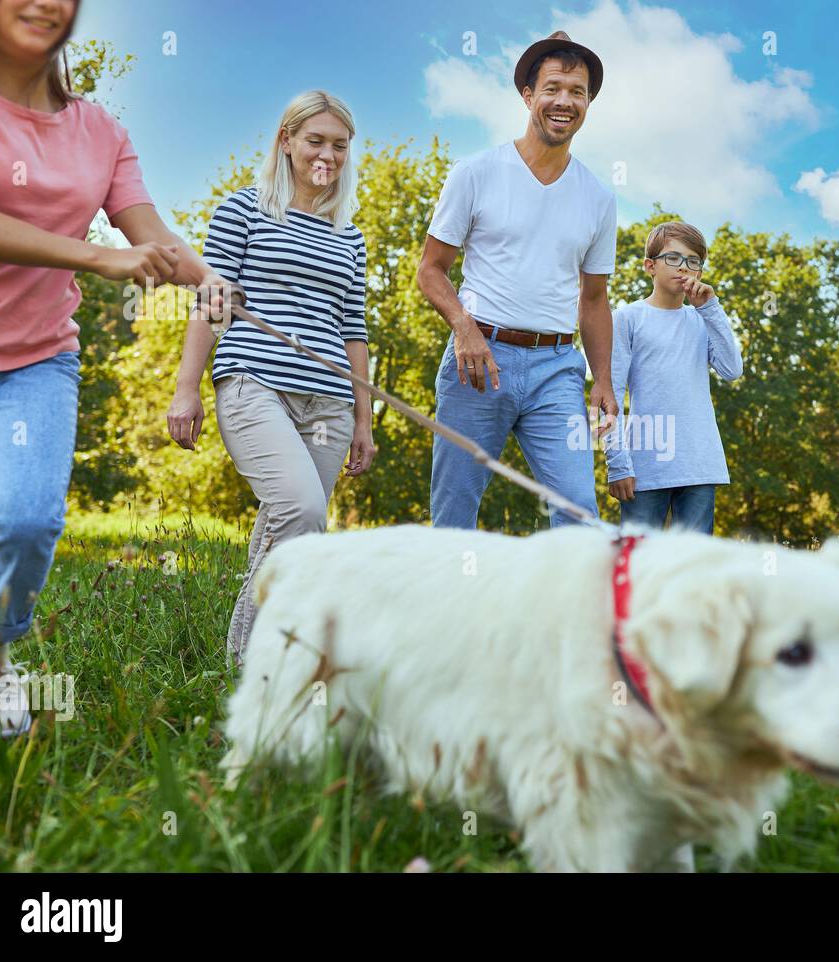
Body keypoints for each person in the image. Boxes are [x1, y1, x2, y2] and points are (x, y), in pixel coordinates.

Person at [0, 0, 233, 736]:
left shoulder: (101, 132)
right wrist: (99, 256)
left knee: (24, 520)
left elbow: (149, 231)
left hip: (34, 359)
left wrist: (206, 278)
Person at [166, 90, 376, 666]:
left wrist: (364, 419)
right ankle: (254, 658)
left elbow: (354, 330)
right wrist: (187, 388)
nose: (326, 155)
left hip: (330, 403)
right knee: (302, 510)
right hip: (254, 383)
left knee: (289, 526)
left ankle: (260, 660)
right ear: (286, 141)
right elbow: (213, 304)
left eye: (338, 145)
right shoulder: (244, 209)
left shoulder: (350, 236)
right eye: (315, 140)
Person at [415, 30, 618, 529]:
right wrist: (463, 327)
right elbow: (430, 269)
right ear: (528, 95)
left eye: (577, 92)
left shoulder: (598, 197)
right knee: (454, 511)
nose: (564, 101)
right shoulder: (476, 172)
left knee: (579, 512)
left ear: (588, 102)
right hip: (480, 360)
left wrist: (605, 381)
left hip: (557, 369)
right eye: (553, 88)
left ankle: (573, 608)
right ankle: (445, 605)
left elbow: (594, 301)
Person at [606, 222, 742, 533]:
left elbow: (731, 369)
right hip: (644, 468)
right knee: (637, 560)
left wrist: (711, 308)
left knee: (693, 567)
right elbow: (610, 394)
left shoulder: (702, 318)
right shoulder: (627, 318)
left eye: (693, 261)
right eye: (673, 258)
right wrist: (617, 463)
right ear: (649, 266)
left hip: (699, 464)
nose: (684, 267)